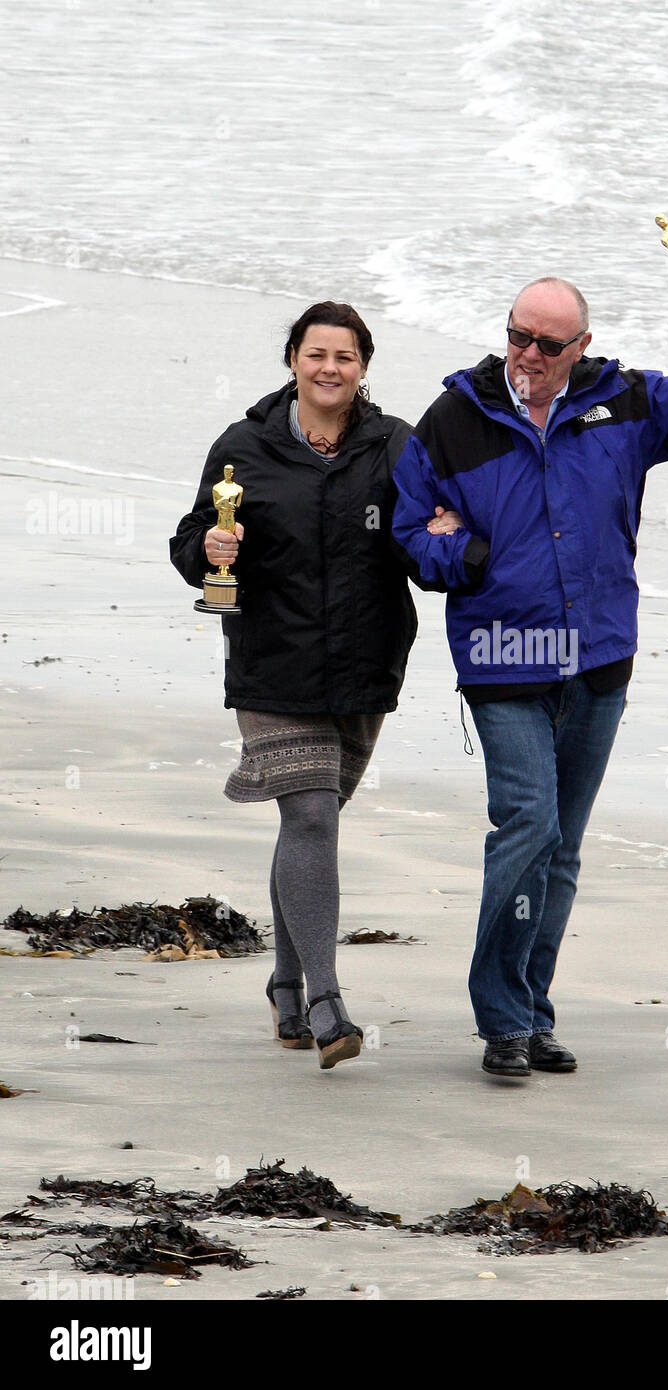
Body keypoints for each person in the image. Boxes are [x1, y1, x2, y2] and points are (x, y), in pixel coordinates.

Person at [392, 252, 668, 1078]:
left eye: (548, 344)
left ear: (580, 345)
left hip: (598, 658)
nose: (528, 353)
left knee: (563, 848)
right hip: (505, 659)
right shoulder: (454, 419)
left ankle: (533, 1010)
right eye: (518, 335)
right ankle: (500, 1020)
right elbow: (412, 538)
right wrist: (472, 556)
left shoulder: (621, 403)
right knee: (529, 826)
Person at [171, 301, 438, 1070]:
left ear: (363, 368)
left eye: (345, 358)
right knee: (314, 816)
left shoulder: (397, 445)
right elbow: (191, 543)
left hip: (364, 667)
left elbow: (422, 545)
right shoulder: (244, 446)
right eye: (316, 354)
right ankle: (327, 1003)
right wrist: (211, 545)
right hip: (272, 662)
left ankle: (285, 986)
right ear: (293, 359)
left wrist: (455, 541)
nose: (330, 369)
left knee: (307, 826)